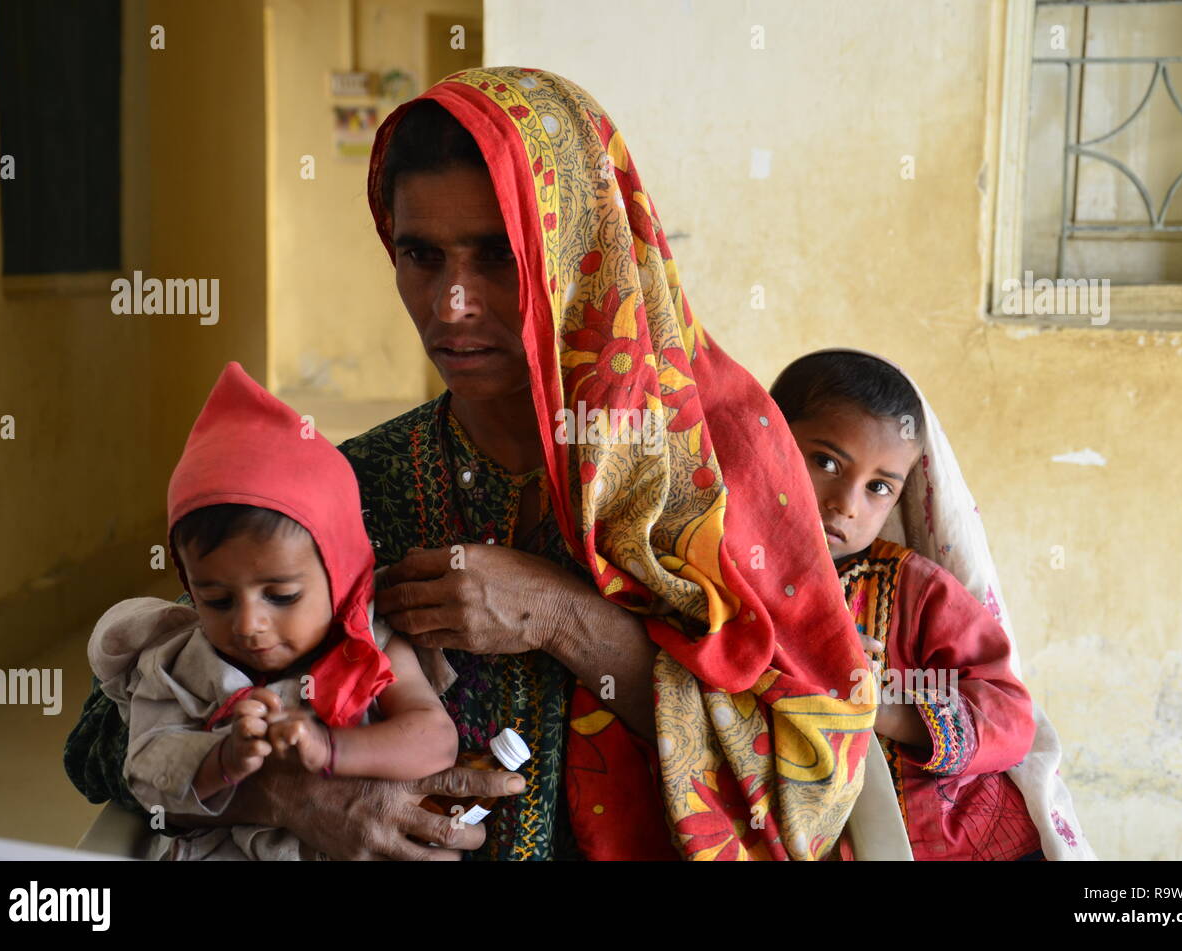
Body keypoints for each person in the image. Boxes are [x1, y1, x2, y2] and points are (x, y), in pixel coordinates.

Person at [65, 67, 874, 861]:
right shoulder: (351, 489)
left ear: (581, 256)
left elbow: (815, 785)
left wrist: (566, 618)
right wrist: (298, 797)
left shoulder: (714, 470)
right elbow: (107, 739)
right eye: (421, 255)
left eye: (497, 256)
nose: (451, 306)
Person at [88, 361, 458, 859]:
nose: (247, 625)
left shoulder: (371, 645)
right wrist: (223, 760)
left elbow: (433, 739)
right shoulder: (180, 663)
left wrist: (330, 750)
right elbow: (147, 771)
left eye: (281, 596)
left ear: (341, 572)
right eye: (216, 600)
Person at [771, 348, 1097, 860]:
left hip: (964, 840)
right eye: (826, 461)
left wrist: (883, 707)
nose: (846, 503)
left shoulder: (916, 589)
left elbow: (1010, 715)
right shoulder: (726, 574)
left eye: (878, 486)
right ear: (767, 441)